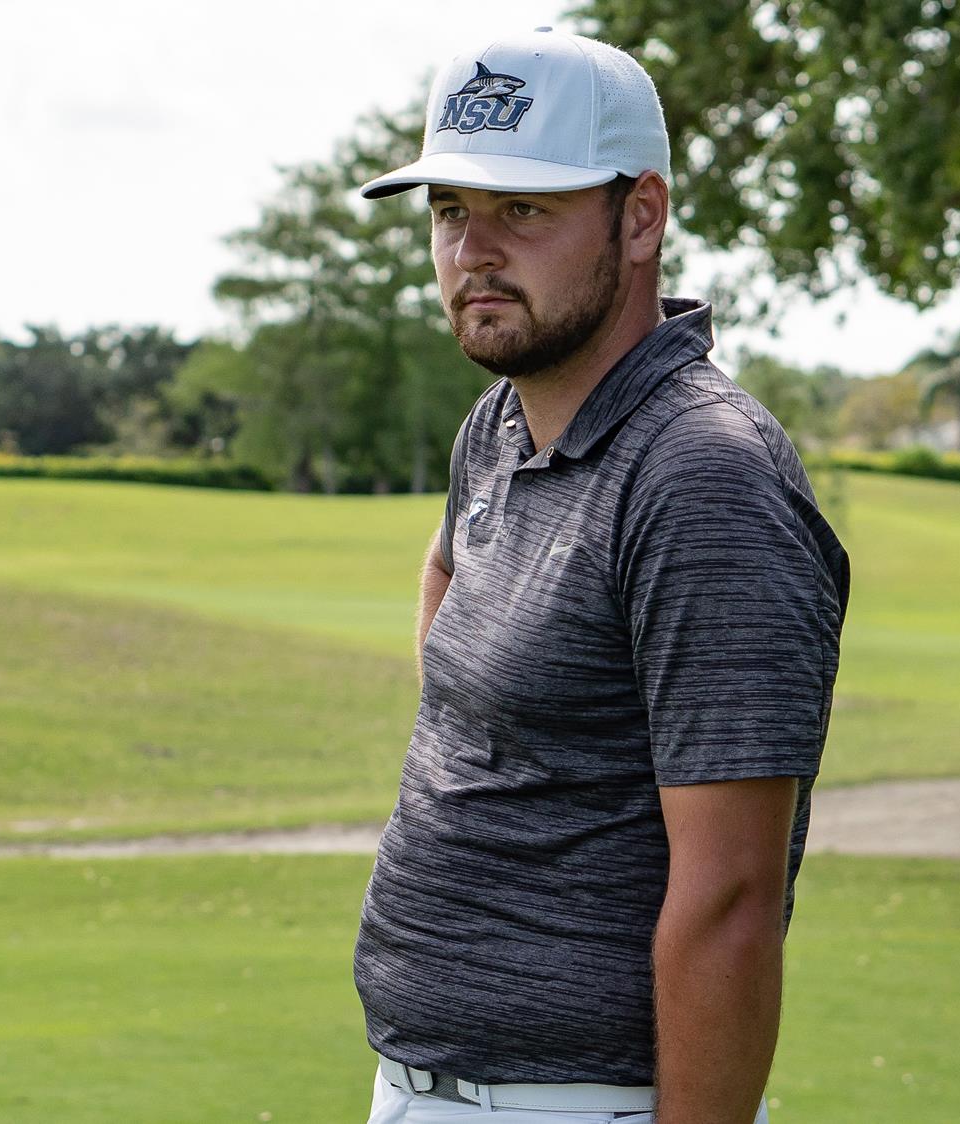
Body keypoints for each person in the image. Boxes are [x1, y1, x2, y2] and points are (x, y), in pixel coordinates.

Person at [351, 27, 850, 1124]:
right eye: (449, 211)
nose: (472, 250)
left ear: (640, 217)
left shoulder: (702, 474)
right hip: (427, 1086)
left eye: (523, 208)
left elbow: (731, 899)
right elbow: (450, 610)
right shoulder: (498, 423)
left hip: (581, 1104)